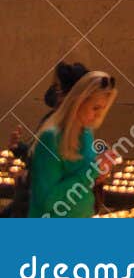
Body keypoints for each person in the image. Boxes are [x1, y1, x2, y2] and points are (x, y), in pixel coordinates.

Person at [3, 62, 88, 218]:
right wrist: (18, 148)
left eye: (57, 88)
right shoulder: (52, 121)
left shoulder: (71, 130)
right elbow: (39, 157)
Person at [28, 71, 117, 218]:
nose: (99, 115)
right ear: (78, 102)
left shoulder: (86, 133)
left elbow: (81, 179)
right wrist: (93, 170)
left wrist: (99, 174)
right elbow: (48, 201)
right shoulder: (51, 138)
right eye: (95, 108)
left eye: (103, 108)